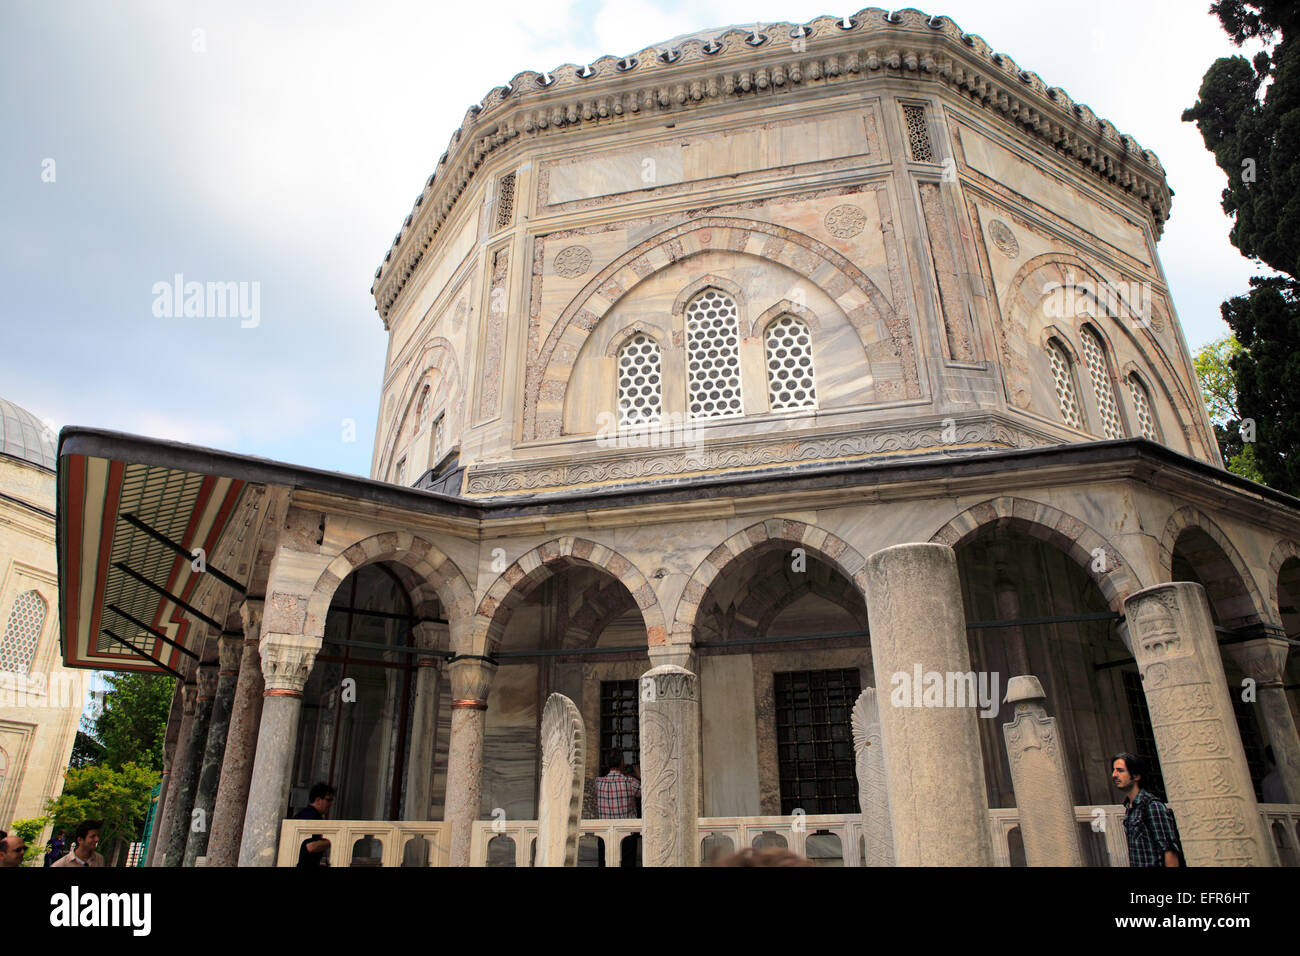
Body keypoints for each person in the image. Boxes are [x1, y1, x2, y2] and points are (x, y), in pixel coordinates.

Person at [1112, 752, 1182, 867]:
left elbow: (1169, 851)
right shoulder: (1130, 807)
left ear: (1136, 776)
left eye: (1120, 770)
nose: (1114, 775)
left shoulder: (1152, 806)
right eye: (1114, 770)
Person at [595, 757, 642, 867]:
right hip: (627, 833)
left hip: (605, 833)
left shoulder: (598, 783)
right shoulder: (630, 782)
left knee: (605, 863)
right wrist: (639, 775)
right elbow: (647, 793)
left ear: (606, 764)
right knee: (627, 863)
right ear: (622, 763)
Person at [295, 783, 335, 867]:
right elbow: (311, 846)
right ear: (318, 800)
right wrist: (333, 840)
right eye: (328, 800)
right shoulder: (312, 817)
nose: (330, 804)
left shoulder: (306, 814)